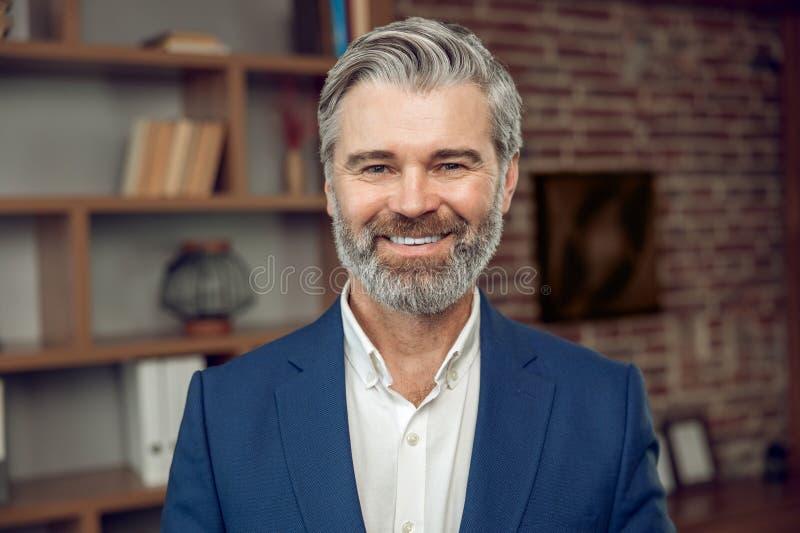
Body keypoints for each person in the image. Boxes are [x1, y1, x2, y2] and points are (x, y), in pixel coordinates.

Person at [161, 17, 674, 533]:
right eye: (376, 167)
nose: (412, 204)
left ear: (507, 181)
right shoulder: (220, 413)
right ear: (330, 188)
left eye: (450, 165)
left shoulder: (608, 407)